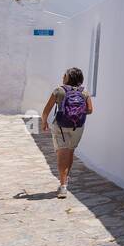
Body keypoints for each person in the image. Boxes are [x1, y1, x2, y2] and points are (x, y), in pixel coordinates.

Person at [40, 68, 93, 198]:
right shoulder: (84, 92)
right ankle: (65, 180)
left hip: (61, 127)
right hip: (78, 126)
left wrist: (44, 122)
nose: (63, 76)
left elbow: (46, 110)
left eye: (64, 74)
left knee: (61, 154)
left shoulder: (59, 90)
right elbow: (90, 110)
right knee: (69, 152)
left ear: (68, 77)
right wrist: (76, 113)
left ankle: (63, 186)